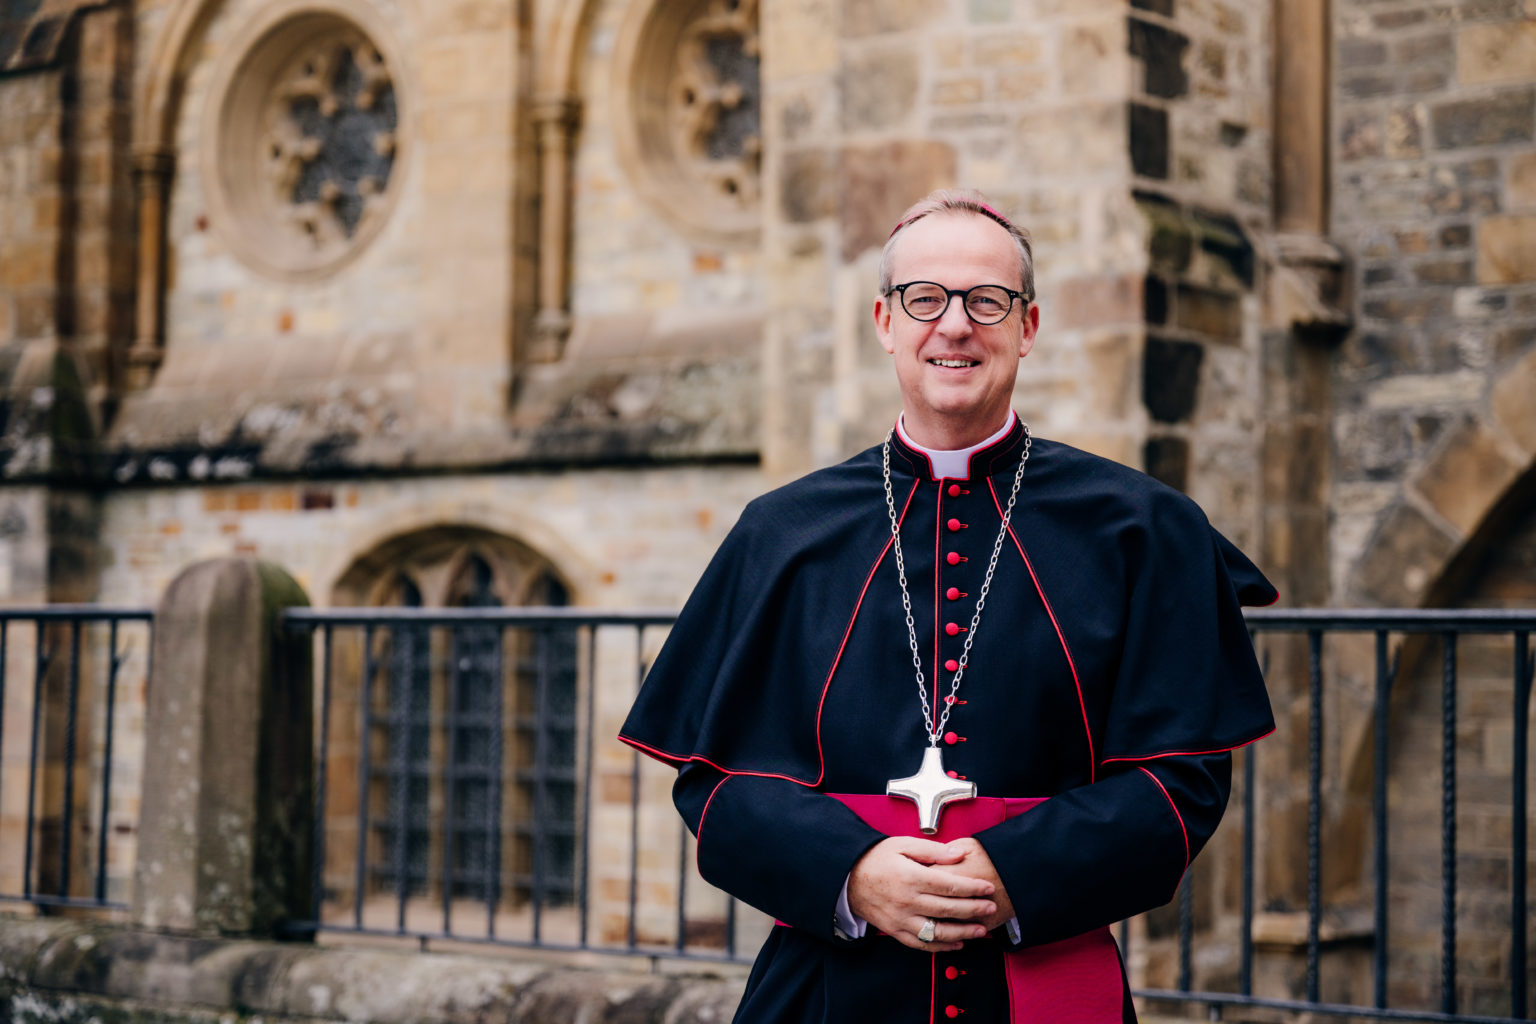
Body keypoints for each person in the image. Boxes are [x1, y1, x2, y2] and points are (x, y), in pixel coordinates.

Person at [619, 188, 1275, 1023]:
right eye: (924, 299)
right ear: (885, 322)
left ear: (1028, 327)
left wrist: (1016, 872)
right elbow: (713, 788)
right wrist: (851, 874)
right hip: (825, 992)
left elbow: (1181, 785)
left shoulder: (1140, 530)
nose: (955, 325)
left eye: (987, 301)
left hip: (1047, 982)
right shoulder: (783, 531)